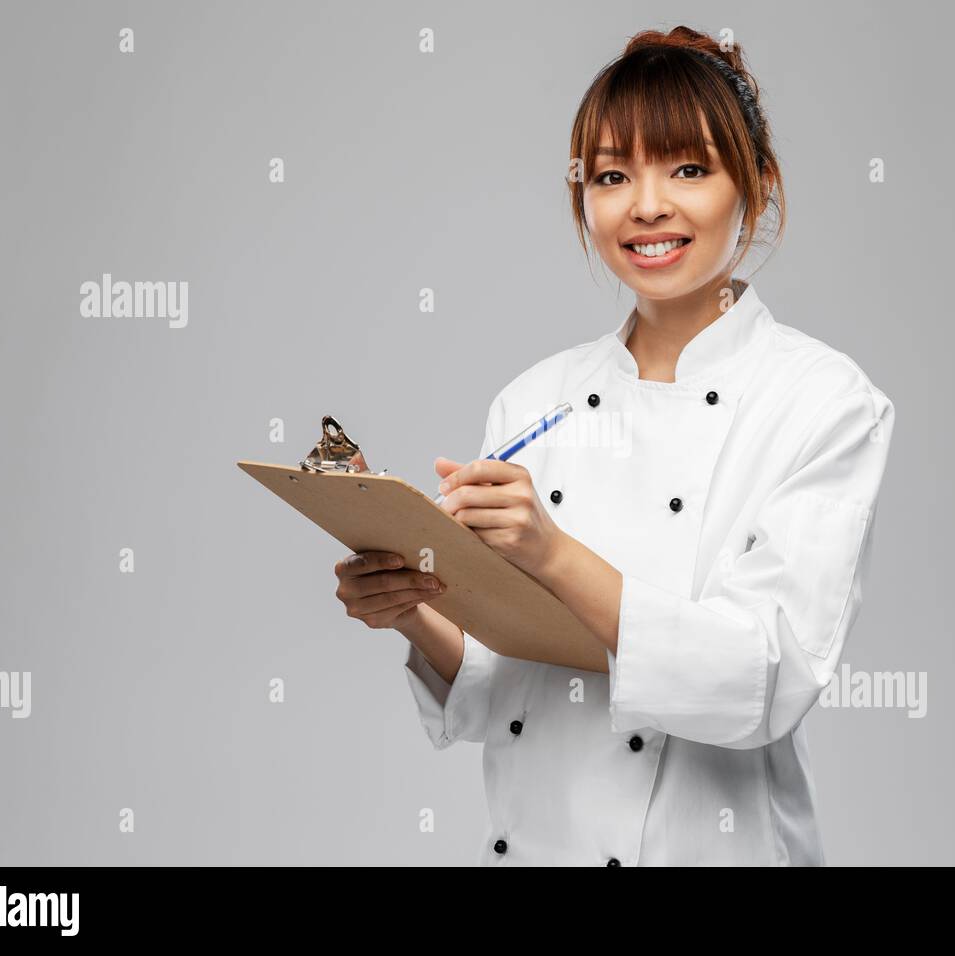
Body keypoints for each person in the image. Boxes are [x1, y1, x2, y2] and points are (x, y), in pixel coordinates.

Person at [333, 25, 895, 865]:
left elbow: (765, 679)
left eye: (689, 170)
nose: (646, 206)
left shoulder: (823, 401)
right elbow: (507, 693)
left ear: (758, 185)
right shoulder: (534, 402)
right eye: (611, 176)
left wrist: (554, 556)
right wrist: (412, 612)